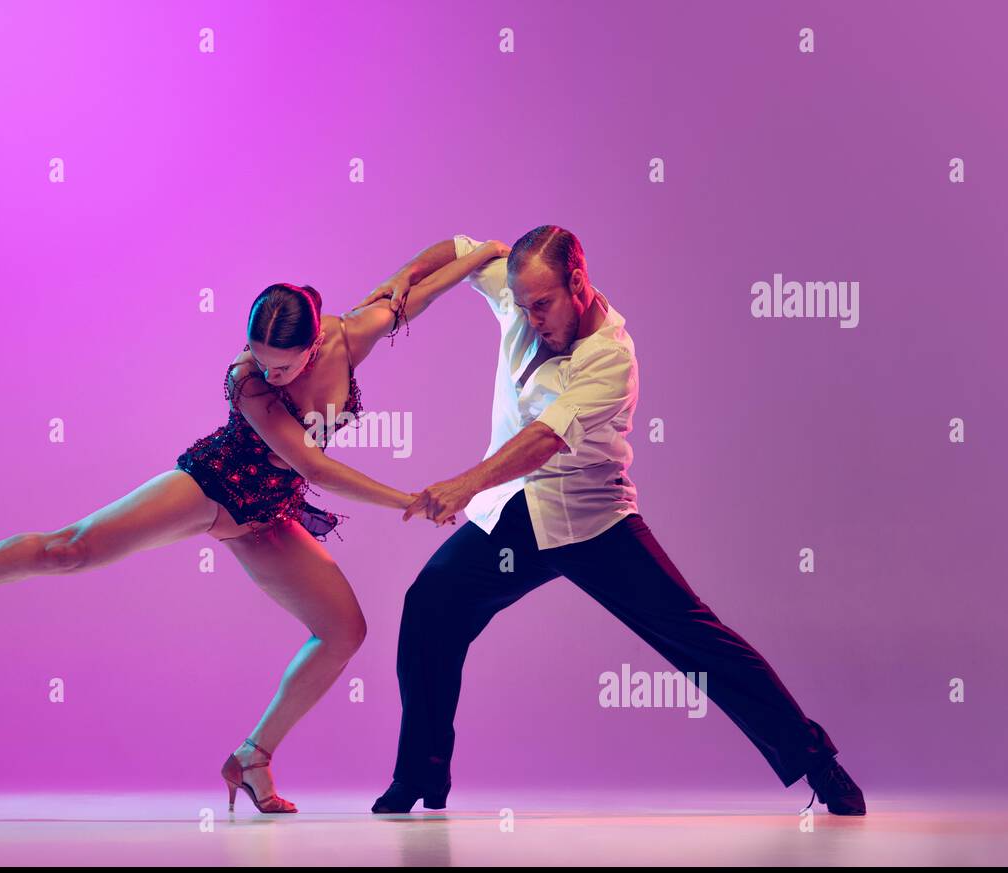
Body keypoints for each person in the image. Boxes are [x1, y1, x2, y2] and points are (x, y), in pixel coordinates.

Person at [0, 241, 508, 813]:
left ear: (316, 339)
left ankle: (252, 758)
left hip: (266, 515)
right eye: (257, 355)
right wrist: (412, 498)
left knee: (345, 632)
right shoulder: (247, 382)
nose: (265, 369)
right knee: (70, 550)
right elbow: (314, 465)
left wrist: (482, 254)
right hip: (212, 487)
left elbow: (408, 288)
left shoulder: (352, 336)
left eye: (282, 363)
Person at [361, 227, 867, 816]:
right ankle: (420, 776)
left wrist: (466, 483)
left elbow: (544, 439)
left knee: (697, 638)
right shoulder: (524, 293)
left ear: (578, 283)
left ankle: (818, 764)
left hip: (592, 519)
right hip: (515, 513)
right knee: (429, 608)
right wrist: (403, 279)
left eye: (543, 305)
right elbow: (461, 249)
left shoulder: (611, 356)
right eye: (522, 306)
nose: (531, 318)